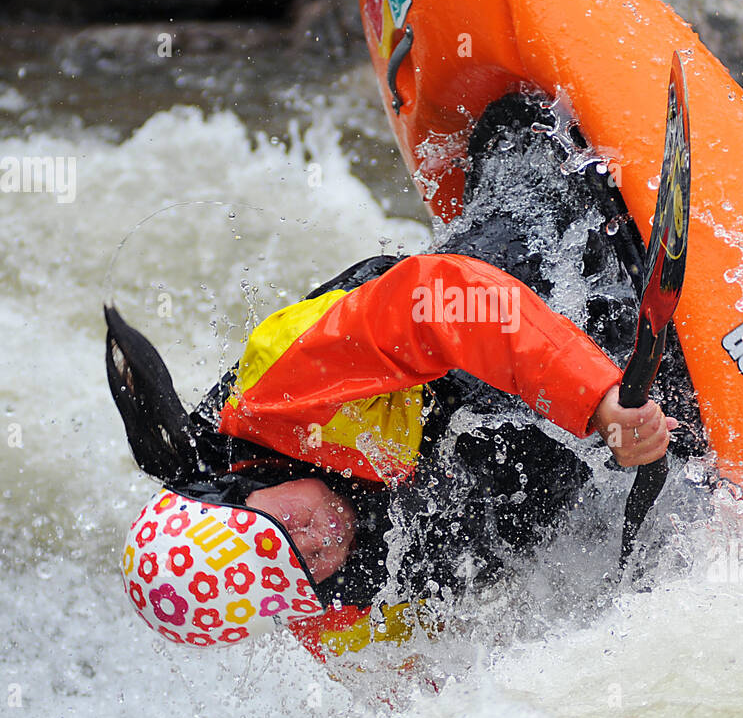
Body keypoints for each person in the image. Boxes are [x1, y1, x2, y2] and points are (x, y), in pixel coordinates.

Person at [107, 93, 709, 621]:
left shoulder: (283, 385)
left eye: (289, 530)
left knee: (499, 348)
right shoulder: (326, 603)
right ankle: (680, 440)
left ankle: (625, 323)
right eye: (309, 567)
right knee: (468, 548)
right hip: (529, 441)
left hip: (539, 235)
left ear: (239, 486)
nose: (321, 541)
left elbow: (441, 299)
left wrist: (597, 399)